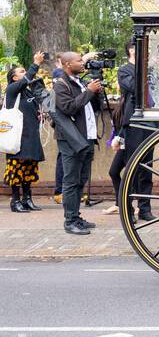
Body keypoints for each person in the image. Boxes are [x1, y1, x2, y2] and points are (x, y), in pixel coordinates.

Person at [51, 51, 106, 235]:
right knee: (71, 180)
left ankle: (76, 216)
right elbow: (68, 108)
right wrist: (89, 91)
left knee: (81, 180)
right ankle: (70, 221)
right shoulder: (61, 85)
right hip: (71, 140)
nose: (82, 63)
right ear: (67, 64)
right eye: (78, 61)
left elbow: (94, 107)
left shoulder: (79, 82)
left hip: (87, 138)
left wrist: (96, 92)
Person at [112, 43, 154, 221]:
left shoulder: (148, 69)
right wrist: (144, 68)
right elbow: (135, 88)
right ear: (131, 50)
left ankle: (145, 208)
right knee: (132, 166)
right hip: (133, 124)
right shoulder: (125, 70)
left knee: (146, 167)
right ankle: (127, 208)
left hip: (149, 122)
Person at [4, 52, 47, 213]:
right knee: (16, 169)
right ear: (14, 78)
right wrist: (35, 63)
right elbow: (27, 79)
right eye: (20, 72)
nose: (24, 74)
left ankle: (27, 199)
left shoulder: (27, 92)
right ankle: (15, 201)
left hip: (31, 136)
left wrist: (40, 114)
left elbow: (43, 104)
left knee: (29, 169)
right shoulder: (12, 90)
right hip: (18, 138)